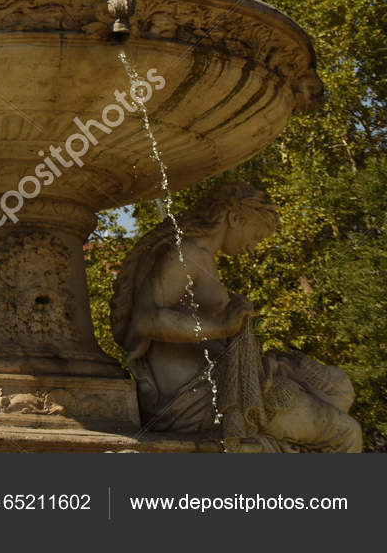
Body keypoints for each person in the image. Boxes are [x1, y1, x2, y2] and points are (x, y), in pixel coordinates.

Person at [112, 183, 362, 452]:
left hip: (216, 381)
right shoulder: (187, 252)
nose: (252, 246)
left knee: (338, 386)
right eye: (254, 235)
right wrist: (221, 326)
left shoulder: (201, 256)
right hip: (198, 398)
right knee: (347, 432)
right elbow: (146, 320)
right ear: (234, 218)